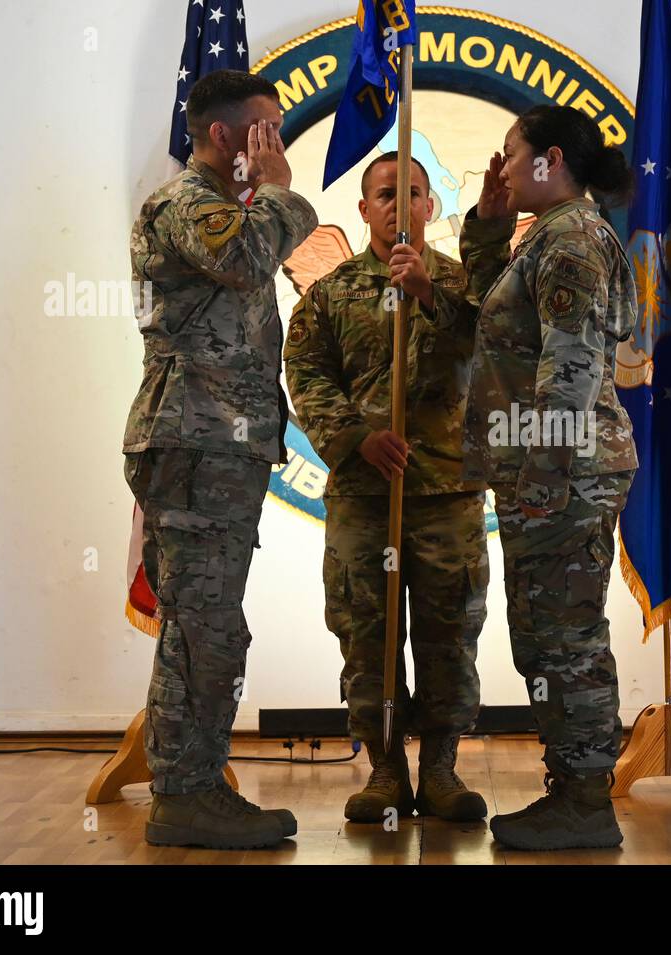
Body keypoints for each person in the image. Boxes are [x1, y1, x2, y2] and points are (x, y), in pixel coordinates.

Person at [123, 69, 318, 849]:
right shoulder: (187, 205)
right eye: (266, 129)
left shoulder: (228, 206)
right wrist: (279, 188)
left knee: (206, 627)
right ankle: (185, 792)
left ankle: (191, 785)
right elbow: (244, 258)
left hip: (216, 448)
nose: (275, 144)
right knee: (205, 629)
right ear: (225, 136)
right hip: (194, 444)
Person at [284, 153, 490, 823]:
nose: (401, 205)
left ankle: (440, 769)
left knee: (448, 634)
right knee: (367, 635)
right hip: (365, 496)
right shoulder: (330, 294)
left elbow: (488, 354)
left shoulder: (466, 286)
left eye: (415, 193)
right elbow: (308, 377)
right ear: (365, 210)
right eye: (385, 194)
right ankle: (384, 770)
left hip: (447, 494)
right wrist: (355, 440)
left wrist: (430, 294)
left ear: (431, 206)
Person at [458, 105, 639, 850]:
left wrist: (545, 477)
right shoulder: (554, 234)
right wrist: (487, 224)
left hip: (563, 468)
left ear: (550, 157)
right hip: (552, 468)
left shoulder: (569, 240)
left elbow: (569, 370)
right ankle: (574, 786)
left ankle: (588, 798)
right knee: (545, 635)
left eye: (509, 155)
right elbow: (486, 310)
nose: (500, 168)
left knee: (564, 638)